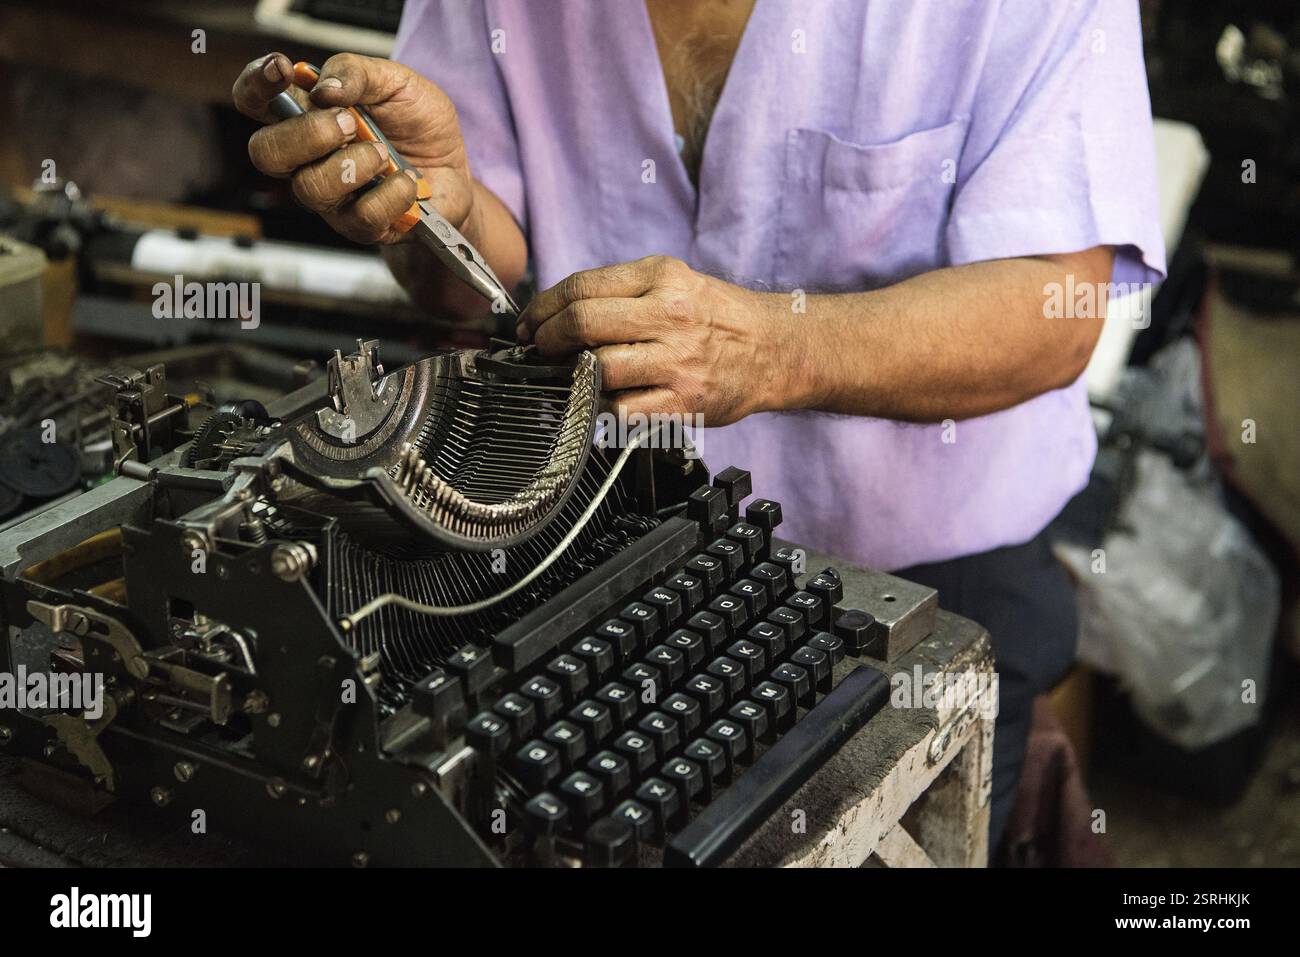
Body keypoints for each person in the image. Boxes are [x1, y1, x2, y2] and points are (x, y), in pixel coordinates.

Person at [233, 0, 1165, 853]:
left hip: (919, 581)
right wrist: (449, 212)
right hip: (589, 555)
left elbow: (1054, 305)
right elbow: (481, 265)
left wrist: (774, 349)